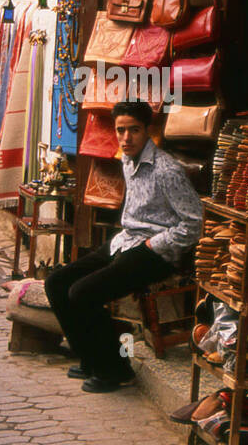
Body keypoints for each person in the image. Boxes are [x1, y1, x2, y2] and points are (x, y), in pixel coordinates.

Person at [44, 100, 202, 393]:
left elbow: (194, 225)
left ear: (148, 131)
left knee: (84, 292)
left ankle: (116, 370)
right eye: (121, 131)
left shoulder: (167, 170)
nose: (126, 138)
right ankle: (92, 359)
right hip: (126, 242)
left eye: (134, 130)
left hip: (157, 253)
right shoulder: (128, 160)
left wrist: (155, 243)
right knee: (56, 282)